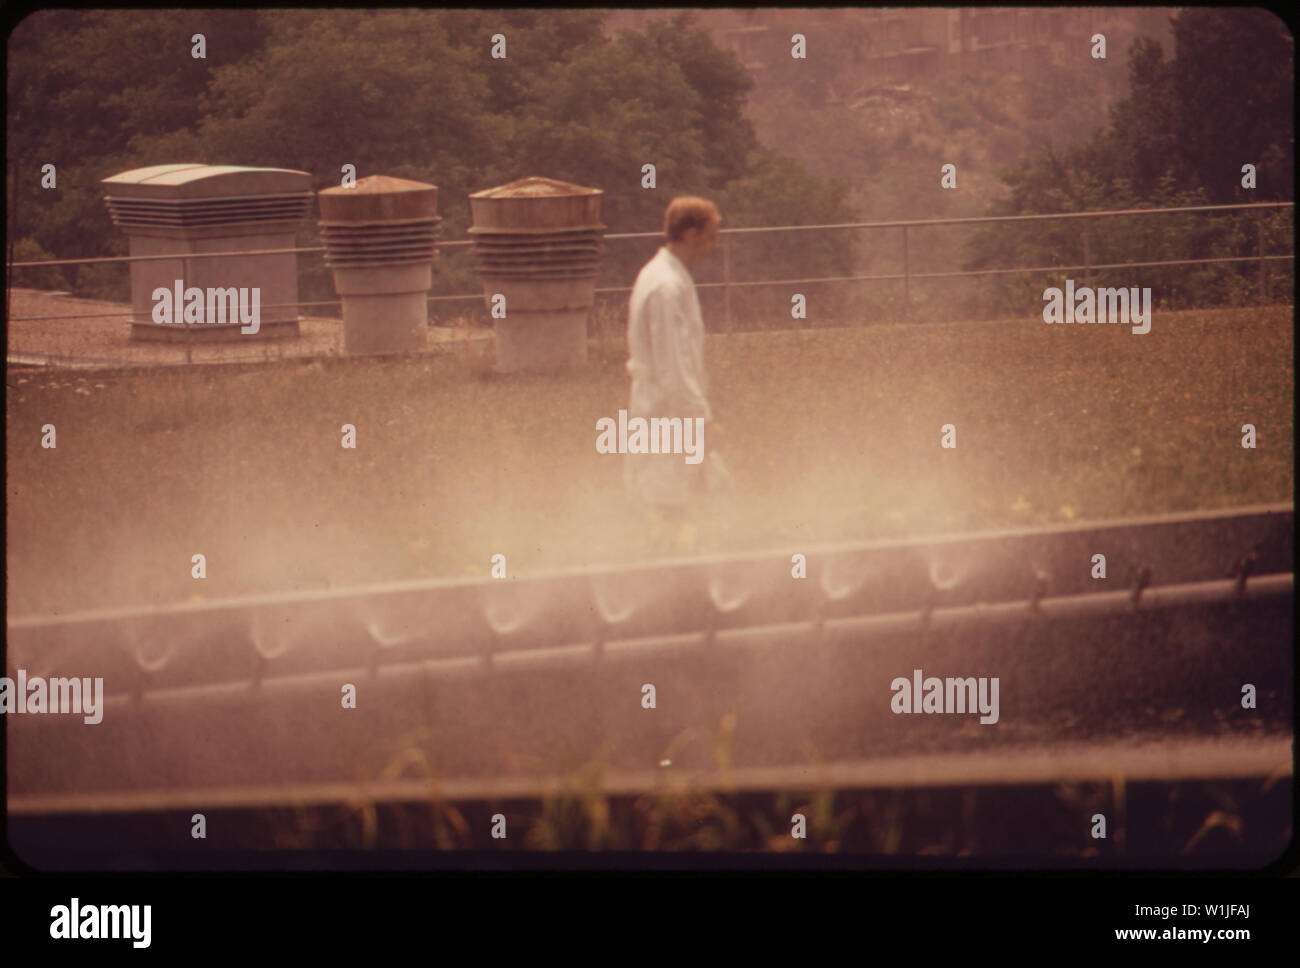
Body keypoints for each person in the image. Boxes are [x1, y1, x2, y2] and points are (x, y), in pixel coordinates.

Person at [624, 197, 727, 552]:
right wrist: (700, 422)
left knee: (699, 504)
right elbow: (675, 369)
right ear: (690, 233)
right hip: (668, 419)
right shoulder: (665, 288)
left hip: (667, 416)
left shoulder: (664, 278)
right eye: (711, 237)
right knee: (672, 514)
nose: (714, 247)